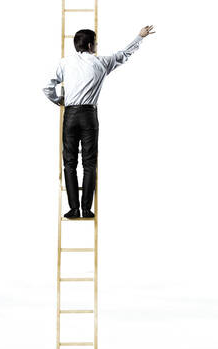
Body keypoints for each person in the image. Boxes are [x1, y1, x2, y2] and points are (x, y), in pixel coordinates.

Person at [43, 25, 154, 219]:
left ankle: (73, 209)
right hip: (89, 116)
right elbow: (124, 54)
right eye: (95, 42)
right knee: (89, 163)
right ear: (89, 45)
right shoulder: (101, 63)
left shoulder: (65, 63)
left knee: (69, 163)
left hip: (70, 115)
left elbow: (47, 86)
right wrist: (139, 37)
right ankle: (86, 209)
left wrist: (59, 100)